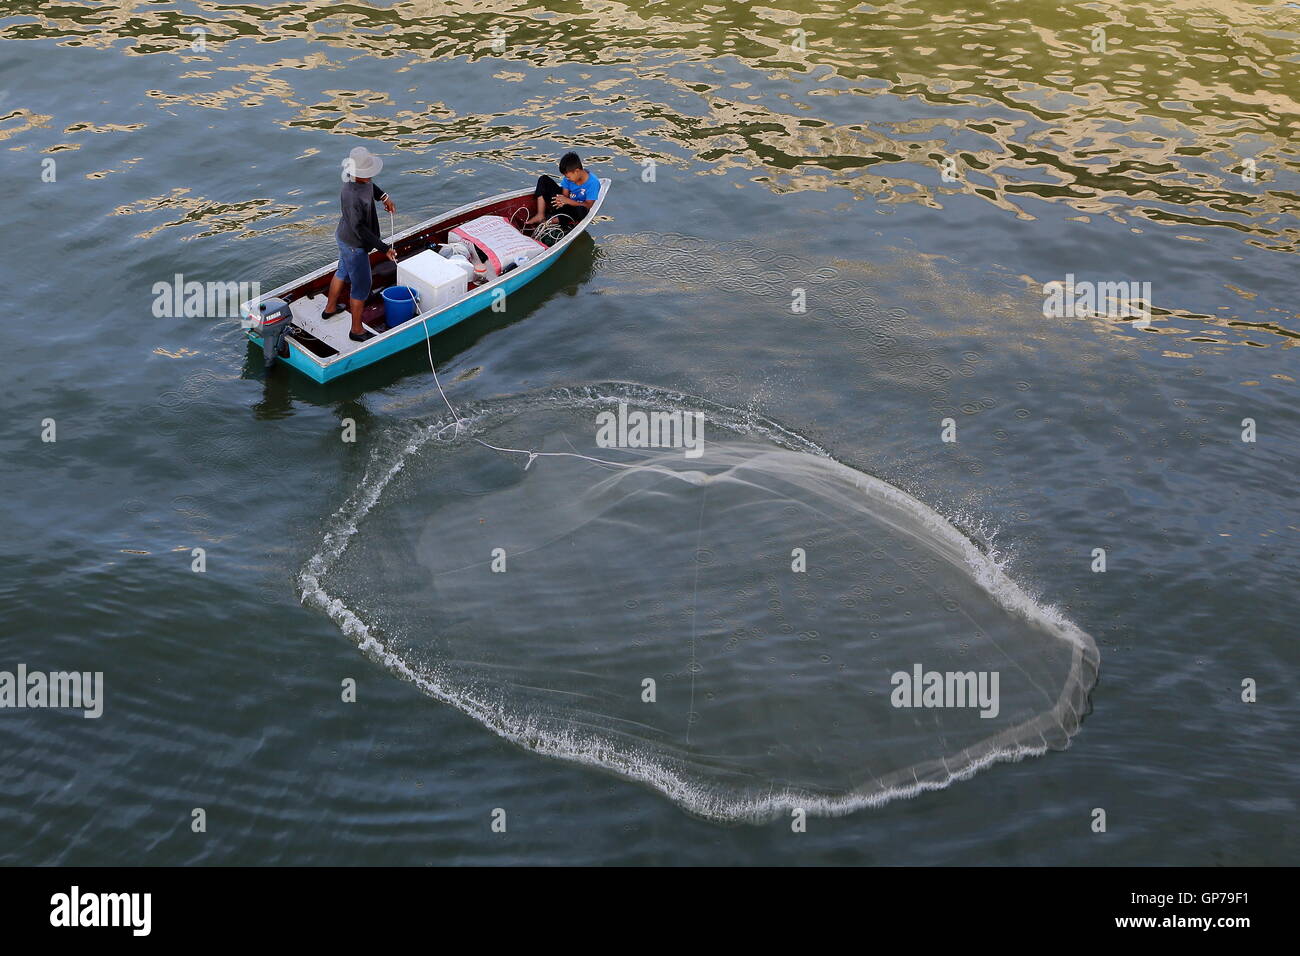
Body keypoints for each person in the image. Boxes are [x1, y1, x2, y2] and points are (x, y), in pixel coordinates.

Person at [323, 146, 397, 342]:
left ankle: (330, 308)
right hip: (354, 244)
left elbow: (371, 187)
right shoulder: (351, 196)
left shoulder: (361, 180)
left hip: (344, 236)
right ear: (358, 174)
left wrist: (384, 197)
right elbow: (360, 229)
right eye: (368, 173)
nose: (371, 176)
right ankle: (356, 330)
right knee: (362, 286)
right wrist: (384, 248)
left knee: (342, 271)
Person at [526, 152, 600, 227]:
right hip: (565, 207)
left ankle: (553, 221)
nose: (567, 179)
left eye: (568, 177)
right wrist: (561, 201)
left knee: (582, 210)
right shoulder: (569, 177)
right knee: (543, 179)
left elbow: (588, 205)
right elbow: (565, 195)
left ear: (577, 171)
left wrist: (568, 201)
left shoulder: (593, 183)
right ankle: (540, 215)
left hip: (576, 210)